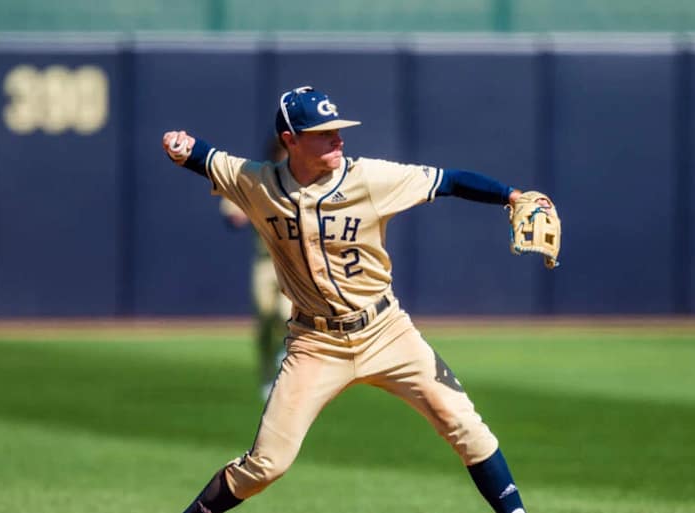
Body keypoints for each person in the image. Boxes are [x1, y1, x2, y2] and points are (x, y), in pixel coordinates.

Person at [162, 85, 528, 513]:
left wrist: (511, 196)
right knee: (266, 465)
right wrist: (179, 147)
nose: (338, 138)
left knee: (465, 425)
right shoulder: (258, 183)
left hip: (386, 332)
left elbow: (448, 181)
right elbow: (206, 158)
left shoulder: (370, 178)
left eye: (337, 128)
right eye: (323, 132)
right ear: (290, 141)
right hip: (315, 345)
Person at [218, 137, 291, 399]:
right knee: (264, 319)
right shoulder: (258, 182)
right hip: (265, 262)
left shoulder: (303, 182)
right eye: (283, 153)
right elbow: (232, 210)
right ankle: (266, 373)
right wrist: (239, 213)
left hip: (291, 264)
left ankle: (287, 358)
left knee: (287, 314)